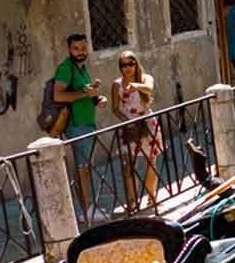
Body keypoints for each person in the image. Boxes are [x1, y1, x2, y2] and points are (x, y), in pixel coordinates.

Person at [54, 33, 108, 218]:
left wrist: (98, 98)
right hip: (76, 126)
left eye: (83, 48)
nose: (80, 52)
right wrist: (85, 94)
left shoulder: (82, 69)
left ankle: (88, 208)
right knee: (82, 169)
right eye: (76, 49)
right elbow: (58, 95)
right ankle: (86, 211)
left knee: (86, 168)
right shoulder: (65, 69)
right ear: (69, 50)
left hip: (87, 123)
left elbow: (86, 95)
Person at [110, 50, 162, 213]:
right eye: (124, 65)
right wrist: (127, 122)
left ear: (136, 63)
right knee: (128, 165)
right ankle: (132, 202)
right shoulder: (117, 84)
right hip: (129, 125)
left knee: (150, 161)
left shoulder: (145, 78)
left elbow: (149, 88)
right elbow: (115, 108)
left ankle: (151, 197)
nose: (128, 68)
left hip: (147, 122)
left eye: (131, 63)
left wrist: (136, 85)